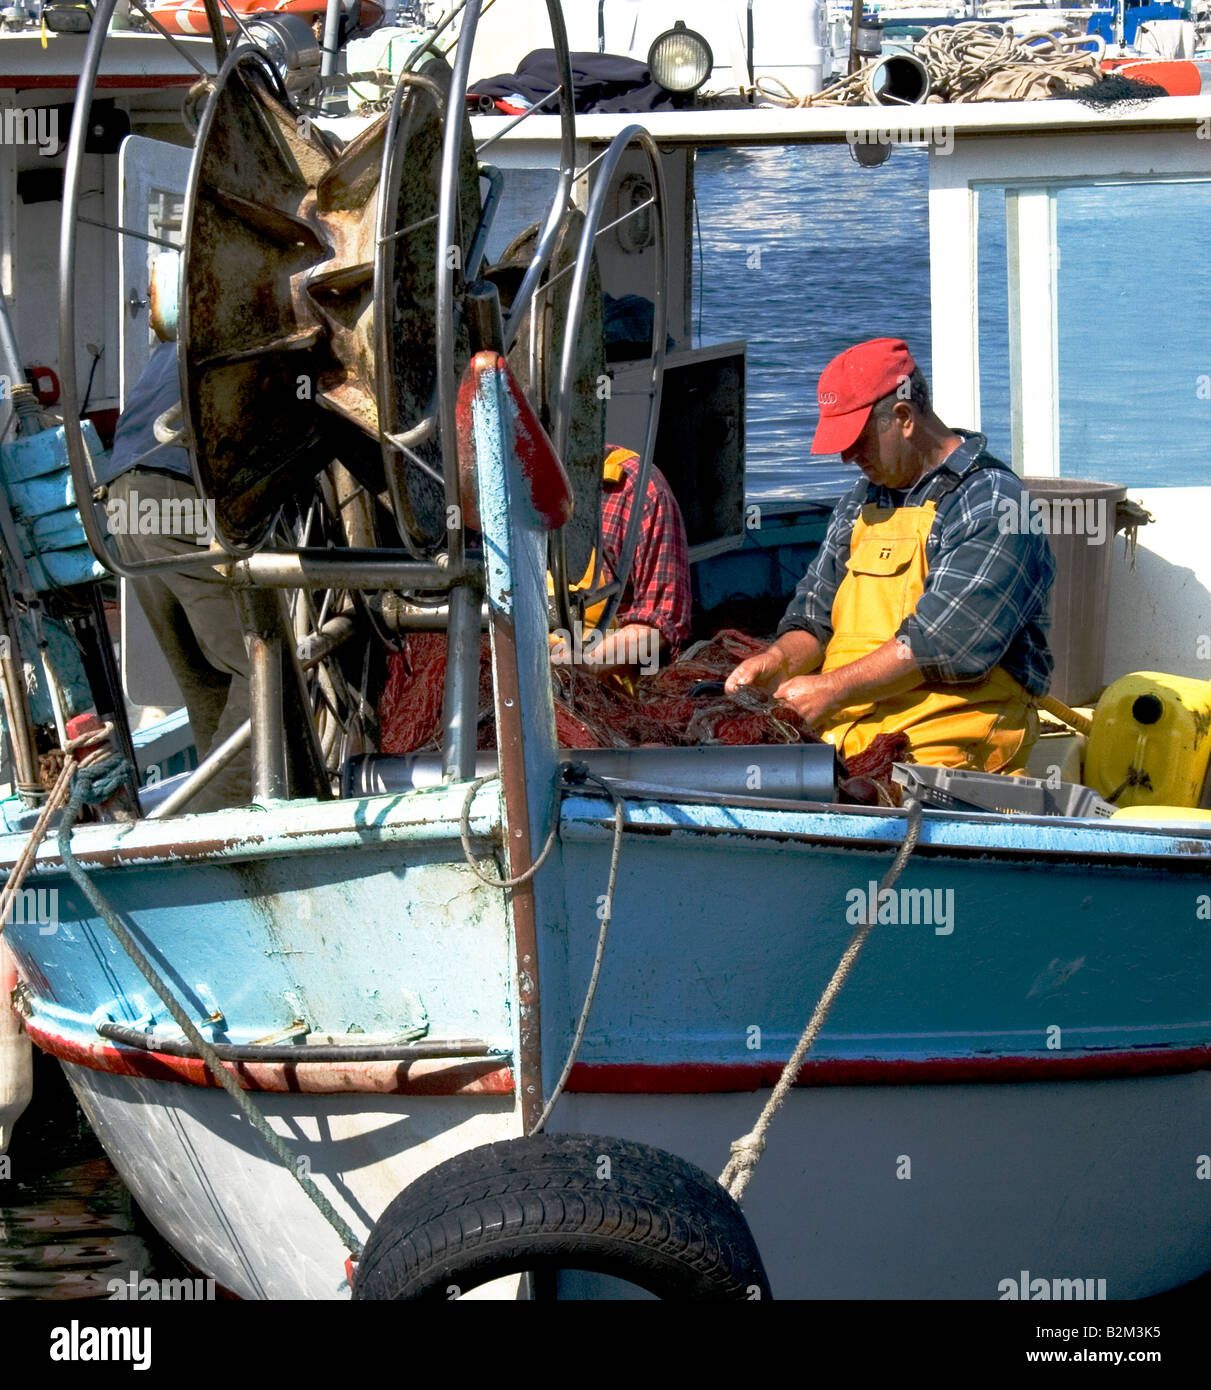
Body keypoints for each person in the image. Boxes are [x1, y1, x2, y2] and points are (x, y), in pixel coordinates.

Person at [726, 338, 1055, 772]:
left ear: (902, 417)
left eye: (858, 440)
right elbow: (814, 617)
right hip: (853, 724)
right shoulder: (860, 502)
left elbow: (944, 644)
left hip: (951, 733)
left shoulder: (992, 501)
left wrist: (831, 689)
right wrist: (780, 659)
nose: (846, 457)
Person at [98, 336, 251, 811]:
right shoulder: (268, 327)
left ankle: (212, 816)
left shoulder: (196, 321)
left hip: (125, 499)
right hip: (177, 492)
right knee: (262, 669)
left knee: (208, 680)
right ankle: (217, 814)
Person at [550, 444, 691, 676]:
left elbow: (661, 625)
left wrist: (587, 662)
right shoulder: (493, 484)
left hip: (602, 686)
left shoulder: (638, 489)